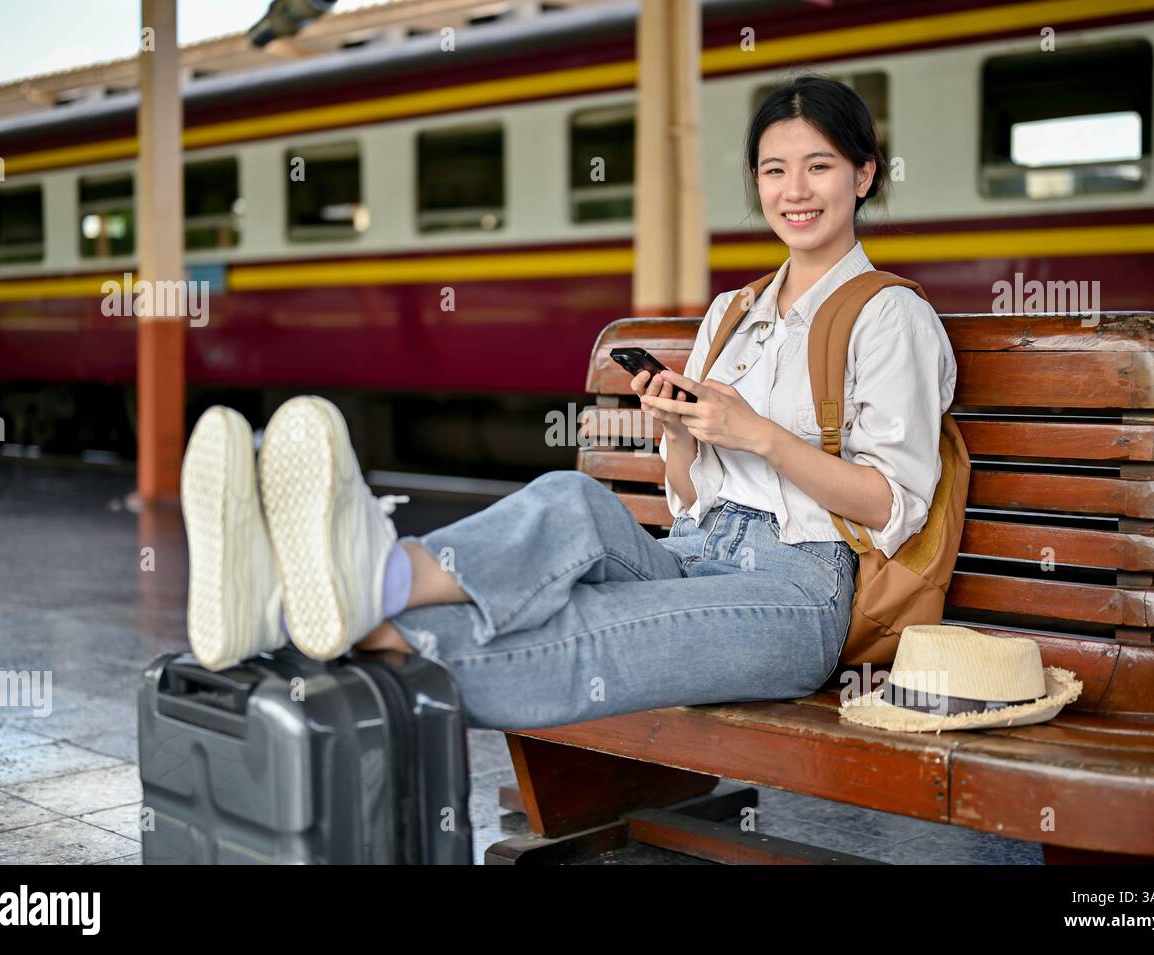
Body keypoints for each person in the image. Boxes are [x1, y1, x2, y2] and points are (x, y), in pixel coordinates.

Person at [178, 73, 957, 731]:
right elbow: (689, 503)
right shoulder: (733, 313)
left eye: (818, 167)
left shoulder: (890, 315)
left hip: (797, 595)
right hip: (694, 557)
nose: (794, 191)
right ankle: (370, 580)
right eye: (773, 169)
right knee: (570, 497)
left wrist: (758, 436)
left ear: (863, 174)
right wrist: (679, 436)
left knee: (577, 627)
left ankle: (288, 612)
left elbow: (894, 507)